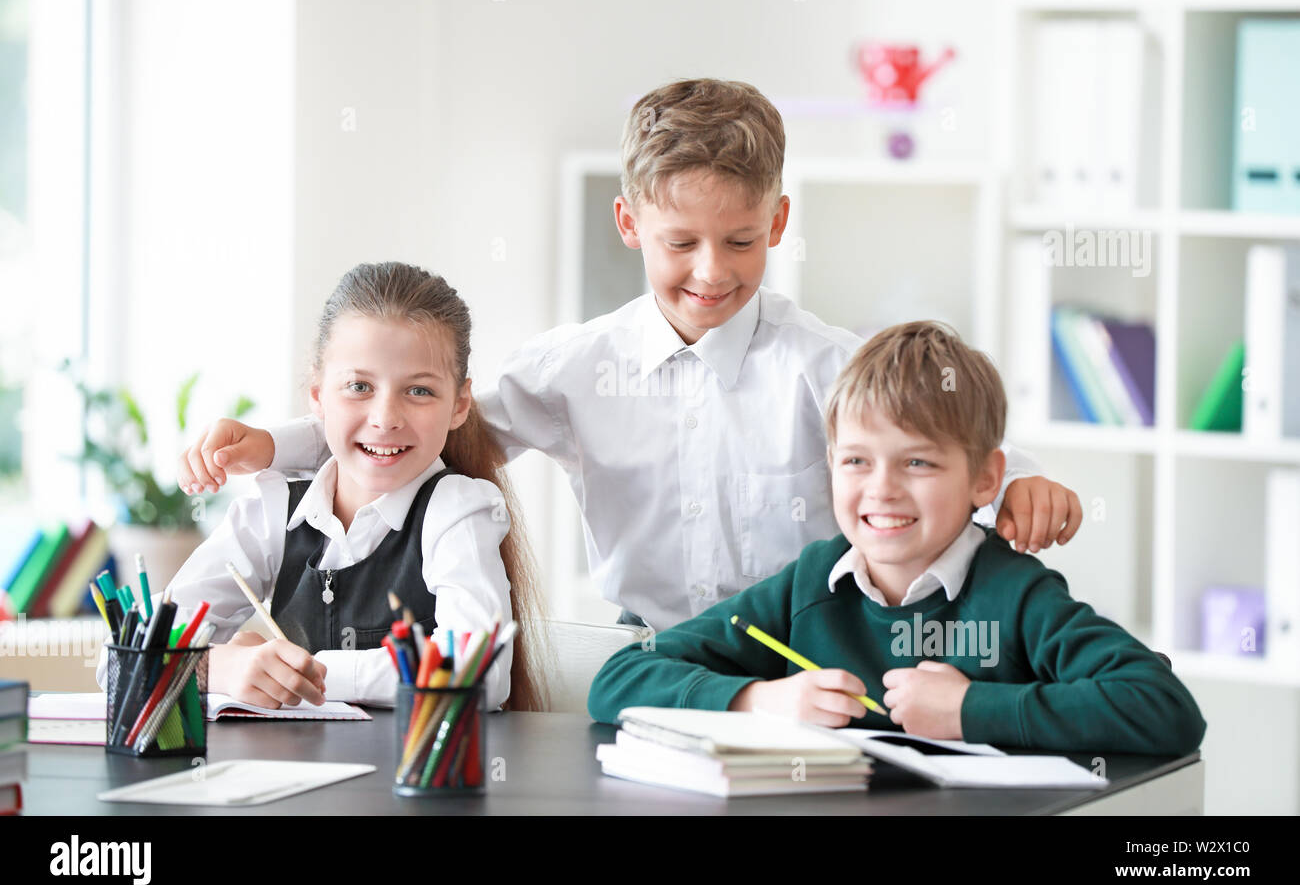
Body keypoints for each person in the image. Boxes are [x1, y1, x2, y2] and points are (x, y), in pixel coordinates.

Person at [175, 79, 1082, 633]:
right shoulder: (578, 367)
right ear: (629, 225)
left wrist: (1021, 481)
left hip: (808, 645)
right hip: (645, 648)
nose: (710, 272)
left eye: (738, 241)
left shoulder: (821, 364)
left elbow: (936, 433)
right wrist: (278, 447)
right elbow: (426, 422)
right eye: (679, 242)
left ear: (777, 222)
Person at [587, 321, 1206, 756]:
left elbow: (1164, 708)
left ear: (985, 478)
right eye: (856, 462)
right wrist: (761, 701)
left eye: (917, 464)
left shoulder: (1016, 596)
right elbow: (618, 681)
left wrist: (971, 711)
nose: (881, 490)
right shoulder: (809, 585)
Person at [98, 263, 547, 709]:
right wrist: (221, 669)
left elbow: (478, 672)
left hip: (408, 777)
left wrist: (312, 671)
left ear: (459, 404)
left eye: (419, 391)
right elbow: (117, 661)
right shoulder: (272, 510)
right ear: (317, 395)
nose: (385, 417)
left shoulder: (457, 510)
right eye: (358, 386)